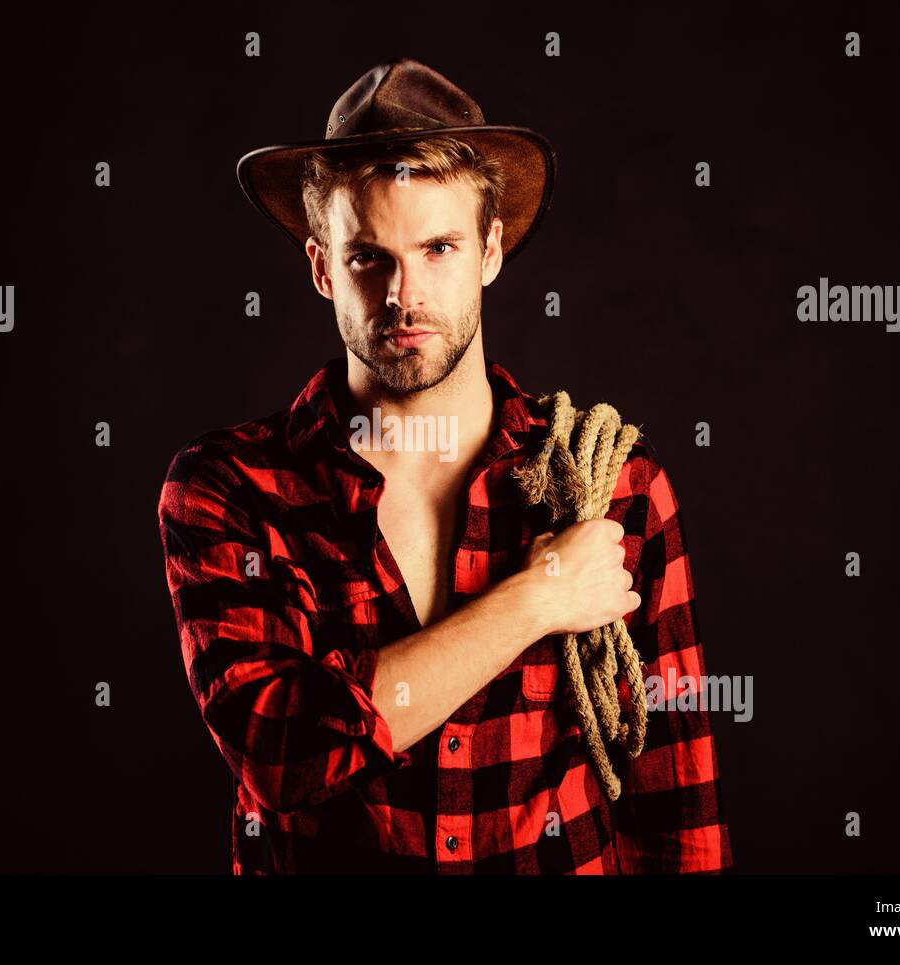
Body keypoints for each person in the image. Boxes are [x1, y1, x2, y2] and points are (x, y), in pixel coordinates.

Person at [157, 58, 733, 873]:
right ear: (322, 267)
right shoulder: (229, 489)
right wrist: (537, 599)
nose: (404, 293)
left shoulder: (612, 487)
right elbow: (280, 749)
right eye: (369, 257)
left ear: (491, 250)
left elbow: (680, 806)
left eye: (438, 247)